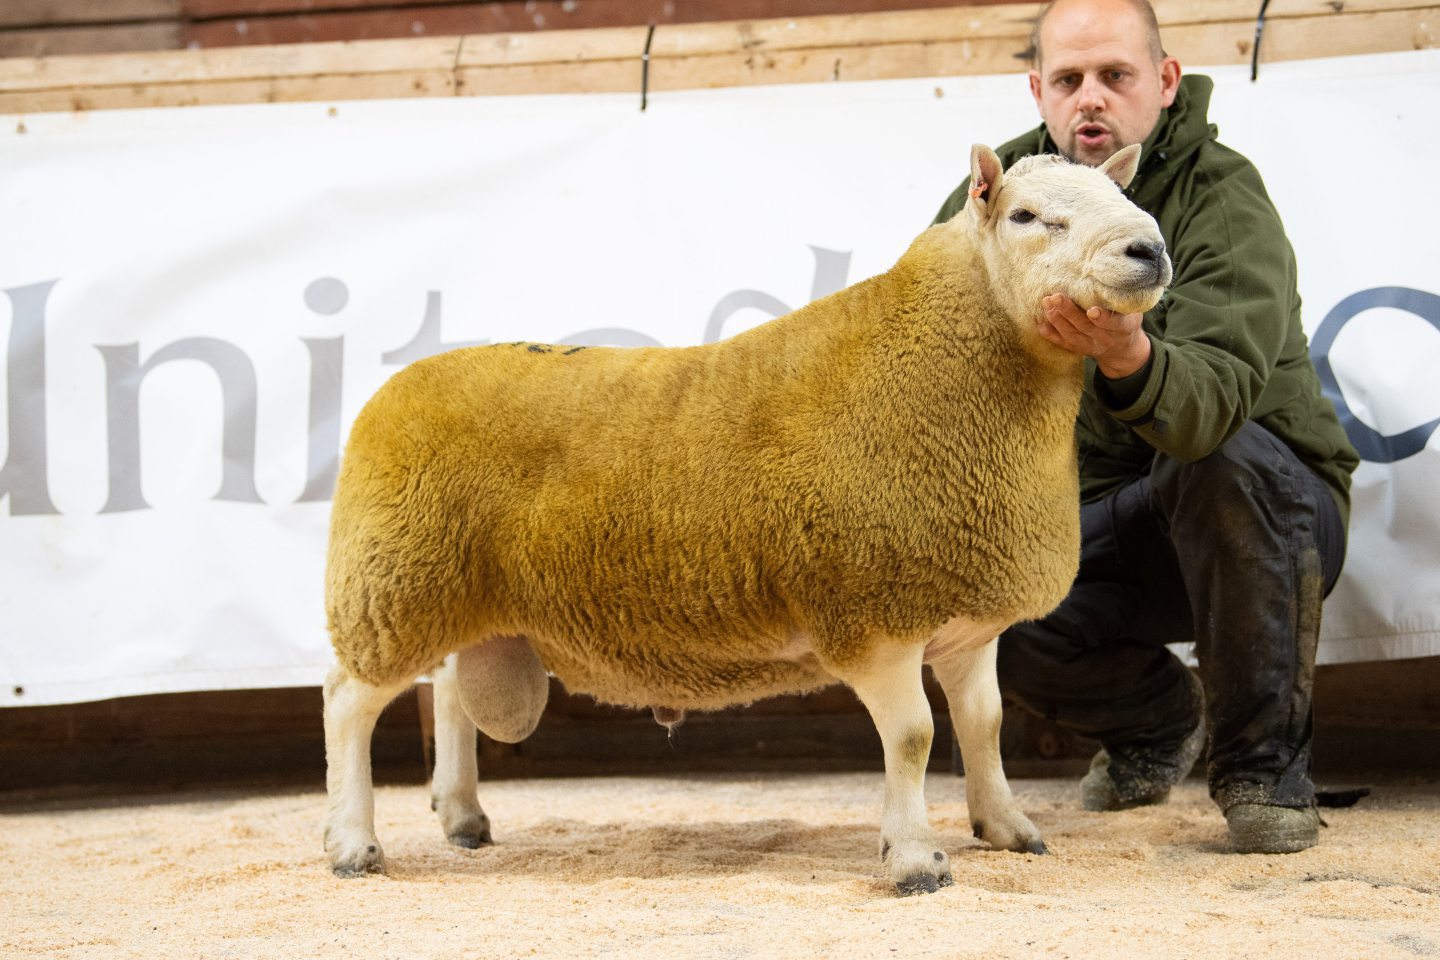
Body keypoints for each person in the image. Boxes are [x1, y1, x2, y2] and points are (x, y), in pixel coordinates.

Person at [932, 0, 1359, 853]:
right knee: (970, 593)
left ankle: (1264, 769)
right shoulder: (996, 195)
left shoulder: (1220, 195)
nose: (1090, 98)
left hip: (1272, 518)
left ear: (1163, 82)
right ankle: (1157, 722)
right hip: (1103, 517)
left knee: (1223, 461)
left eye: (1115, 76)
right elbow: (926, 359)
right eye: (1069, 80)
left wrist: (1128, 355)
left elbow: (1210, 408)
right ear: (1038, 91)